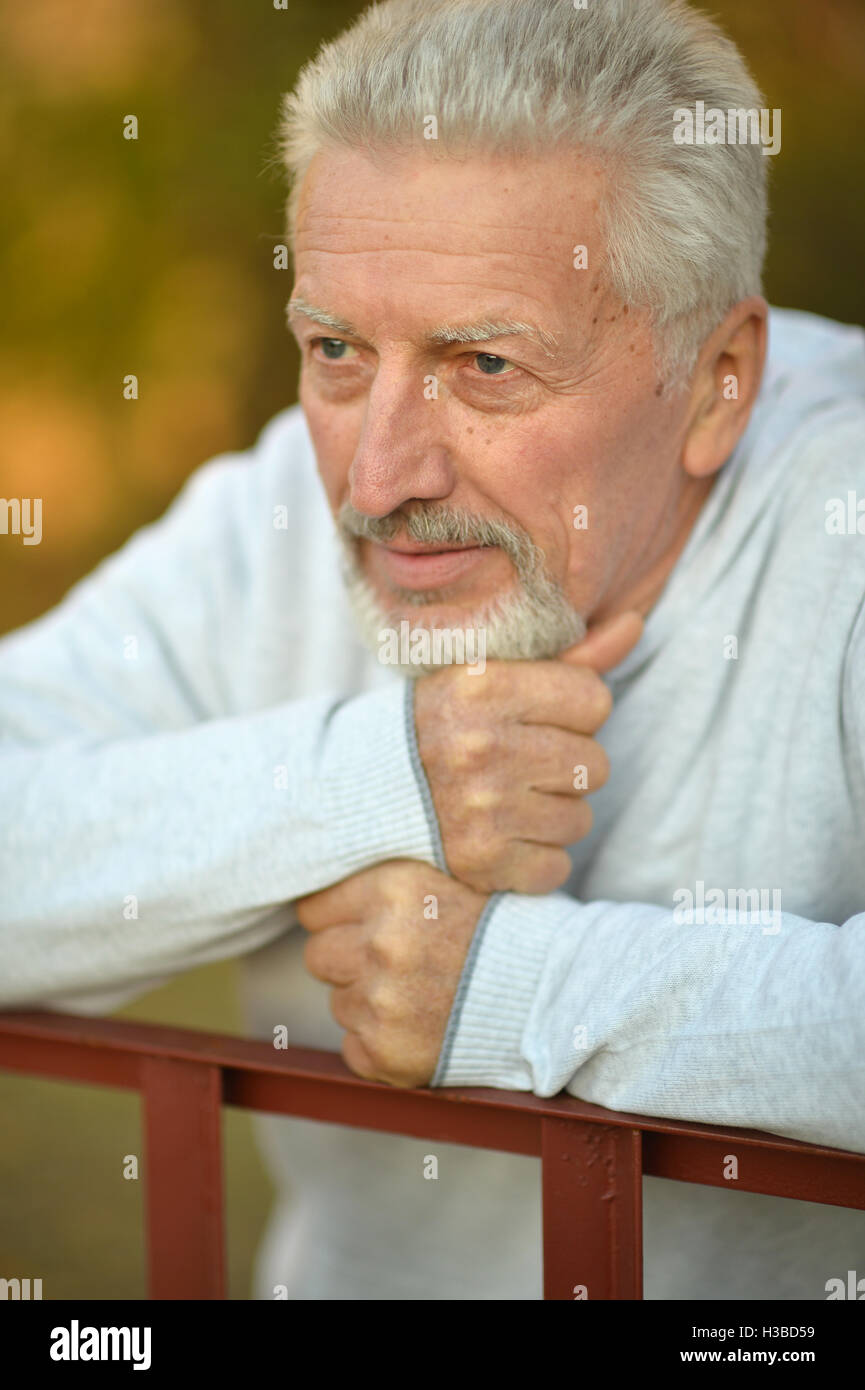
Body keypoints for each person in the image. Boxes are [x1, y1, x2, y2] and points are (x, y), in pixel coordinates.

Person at [2, 0, 863, 1300]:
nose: (379, 474)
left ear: (714, 380)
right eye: (336, 351)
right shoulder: (272, 521)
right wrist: (368, 784)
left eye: (483, 365)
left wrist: (510, 990)